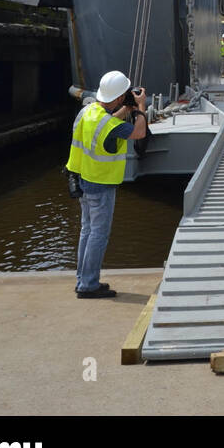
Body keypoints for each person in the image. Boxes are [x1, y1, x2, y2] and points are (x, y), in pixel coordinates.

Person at [65, 70, 148, 299]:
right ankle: (89, 286)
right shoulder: (111, 125)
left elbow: (107, 124)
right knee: (98, 235)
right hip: (101, 185)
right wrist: (140, 107)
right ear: (121, 96)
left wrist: (127, 109)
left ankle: (83, 279)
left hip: (83, 180)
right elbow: (139, 132)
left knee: (87, 232)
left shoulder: (88, 112)